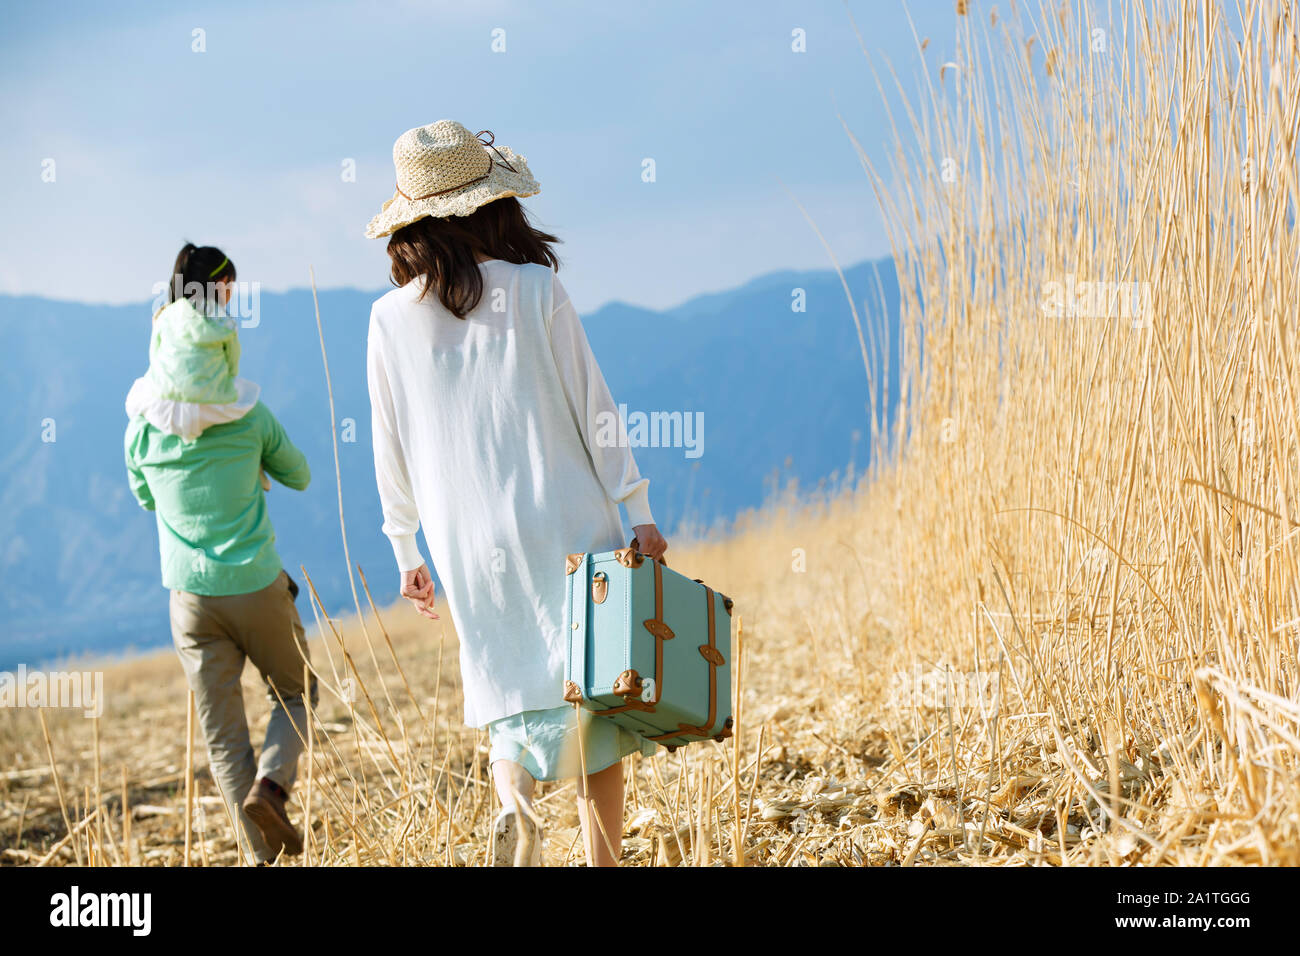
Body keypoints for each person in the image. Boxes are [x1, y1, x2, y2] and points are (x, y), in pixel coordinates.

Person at [364, 120, 666, 867]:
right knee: (594, 694)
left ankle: (514, 809)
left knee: (503, 692)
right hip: (564, 518)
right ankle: (601, 863)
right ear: (489, 206)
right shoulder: (536, 290)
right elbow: (596, 412)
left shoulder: (388, 320)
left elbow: (388, 444)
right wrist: (639, 510)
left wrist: (405, 549)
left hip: (464, 539)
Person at [124, 244, 315, 865]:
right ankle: (274, 785)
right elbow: (301, 475)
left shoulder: (141, 427)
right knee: (296, 692)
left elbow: (146, 496)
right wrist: (254, 464)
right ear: (222, 346)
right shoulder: (250, 417)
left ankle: (263, 857)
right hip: (256, 583)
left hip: (189, 598)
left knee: (223, 734)